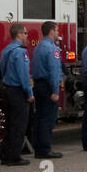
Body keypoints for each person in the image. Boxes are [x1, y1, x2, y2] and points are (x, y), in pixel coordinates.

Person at [0, 22, 33, 166]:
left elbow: (2, 69)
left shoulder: (6, 50)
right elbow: (24, 76)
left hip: (7, 89)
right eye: (25, 33)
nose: (26, 36)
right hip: (18, 91)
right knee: (19, 125)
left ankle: (5, 155)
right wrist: (29, 93)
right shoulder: (20, 52)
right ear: (19, 34)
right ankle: (14, 157)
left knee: (9, 124)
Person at [31, 20, 63, 160]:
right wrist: (55, 91)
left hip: (38, 85)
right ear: (51, 32)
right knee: (48, 119)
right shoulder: (52, 49)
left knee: (39, 118)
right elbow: (54, 71)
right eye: (56, 31)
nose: (58, 33)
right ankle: (45, 149)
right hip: (47, 86)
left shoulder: (38, 47)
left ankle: (38, 148)